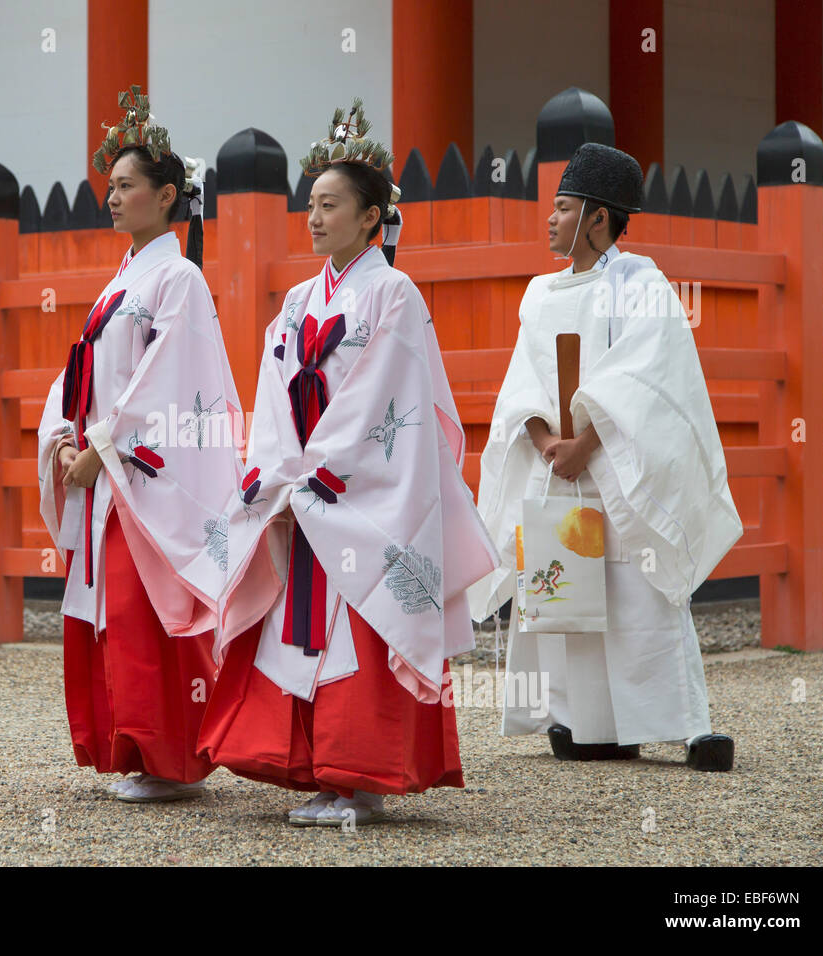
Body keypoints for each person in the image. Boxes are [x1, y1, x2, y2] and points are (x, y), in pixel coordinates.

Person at [196, 99, 498, 826]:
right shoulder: (298, 301)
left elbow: (386, 399)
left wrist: (320, 474)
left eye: (332, 205)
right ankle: (314, 770)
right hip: (304, 487)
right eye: (313, 204)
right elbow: (273, 388)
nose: (315, 217)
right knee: (300, 629)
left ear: (371, 218)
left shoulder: (393, 292)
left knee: (359, 618)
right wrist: (273, 471)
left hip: (360, 492)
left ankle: (357, 773)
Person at [466, 142, 743, 771]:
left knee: (638, 587)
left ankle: (684, 724)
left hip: (617, 466)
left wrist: (588, 443)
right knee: (562, 589)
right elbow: (522, 385)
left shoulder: (641, 284)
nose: (551, 220)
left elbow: (652, 378)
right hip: (556, 468)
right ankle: (583, 720)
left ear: (597, 217)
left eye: (562, 208)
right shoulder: (539, 293)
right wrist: (546, 445)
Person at [37, 86, 245, 802]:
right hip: (106, 468)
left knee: (144, 607)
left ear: (166, 197)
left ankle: (172, 758)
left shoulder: (178, 277)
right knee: (110, 611)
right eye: (112, 185)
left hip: (145, 475)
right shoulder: (122, 281)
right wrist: (64, 437)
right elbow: (84, 369)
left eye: (127, 186)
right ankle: (132, 748)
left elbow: (171, 380)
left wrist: (102, 447)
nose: (114, 197)